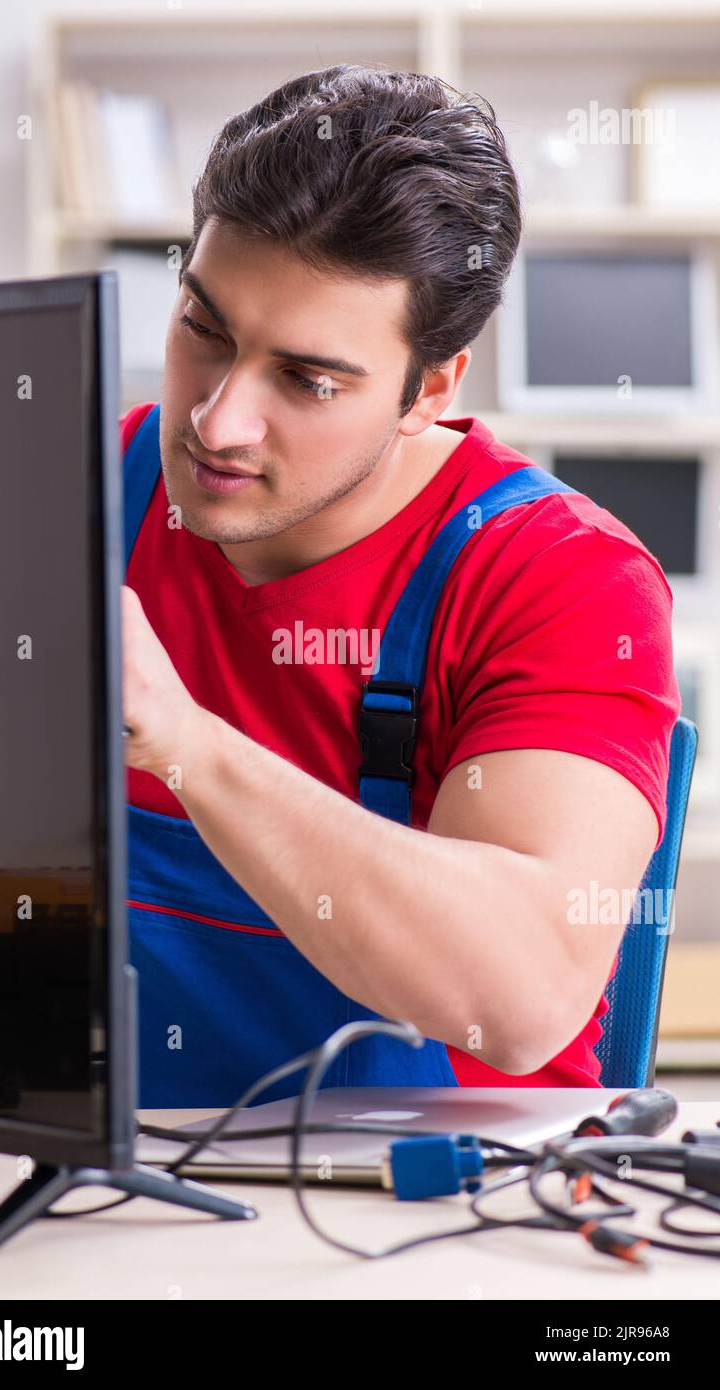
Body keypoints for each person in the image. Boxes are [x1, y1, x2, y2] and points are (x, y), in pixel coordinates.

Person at [119, 65, 680, 1106]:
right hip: (102, 1178)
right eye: (205, 329)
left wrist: (182, 738)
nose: (216, 421)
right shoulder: (78, 487)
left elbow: (522, 995)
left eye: (306, 379)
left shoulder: (561, 579)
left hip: (428, 1204)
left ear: (429, 389)